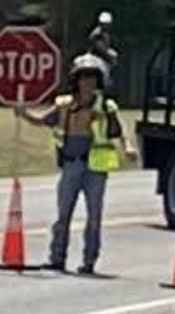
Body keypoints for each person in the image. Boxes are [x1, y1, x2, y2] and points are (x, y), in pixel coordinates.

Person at [16, 54, 136, 274]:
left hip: (96, 169)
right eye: (83, 78)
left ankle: (89, 261)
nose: (87, 82)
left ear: (99, 81)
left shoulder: (107, 107)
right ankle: (57, 258)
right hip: (71, 166)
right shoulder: (64, 105)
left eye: (92, 78)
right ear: (75, 81)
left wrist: (129, 147)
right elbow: (41, 120)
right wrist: (23, 113)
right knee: (63, 215)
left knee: (94, 217)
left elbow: (120, 132)